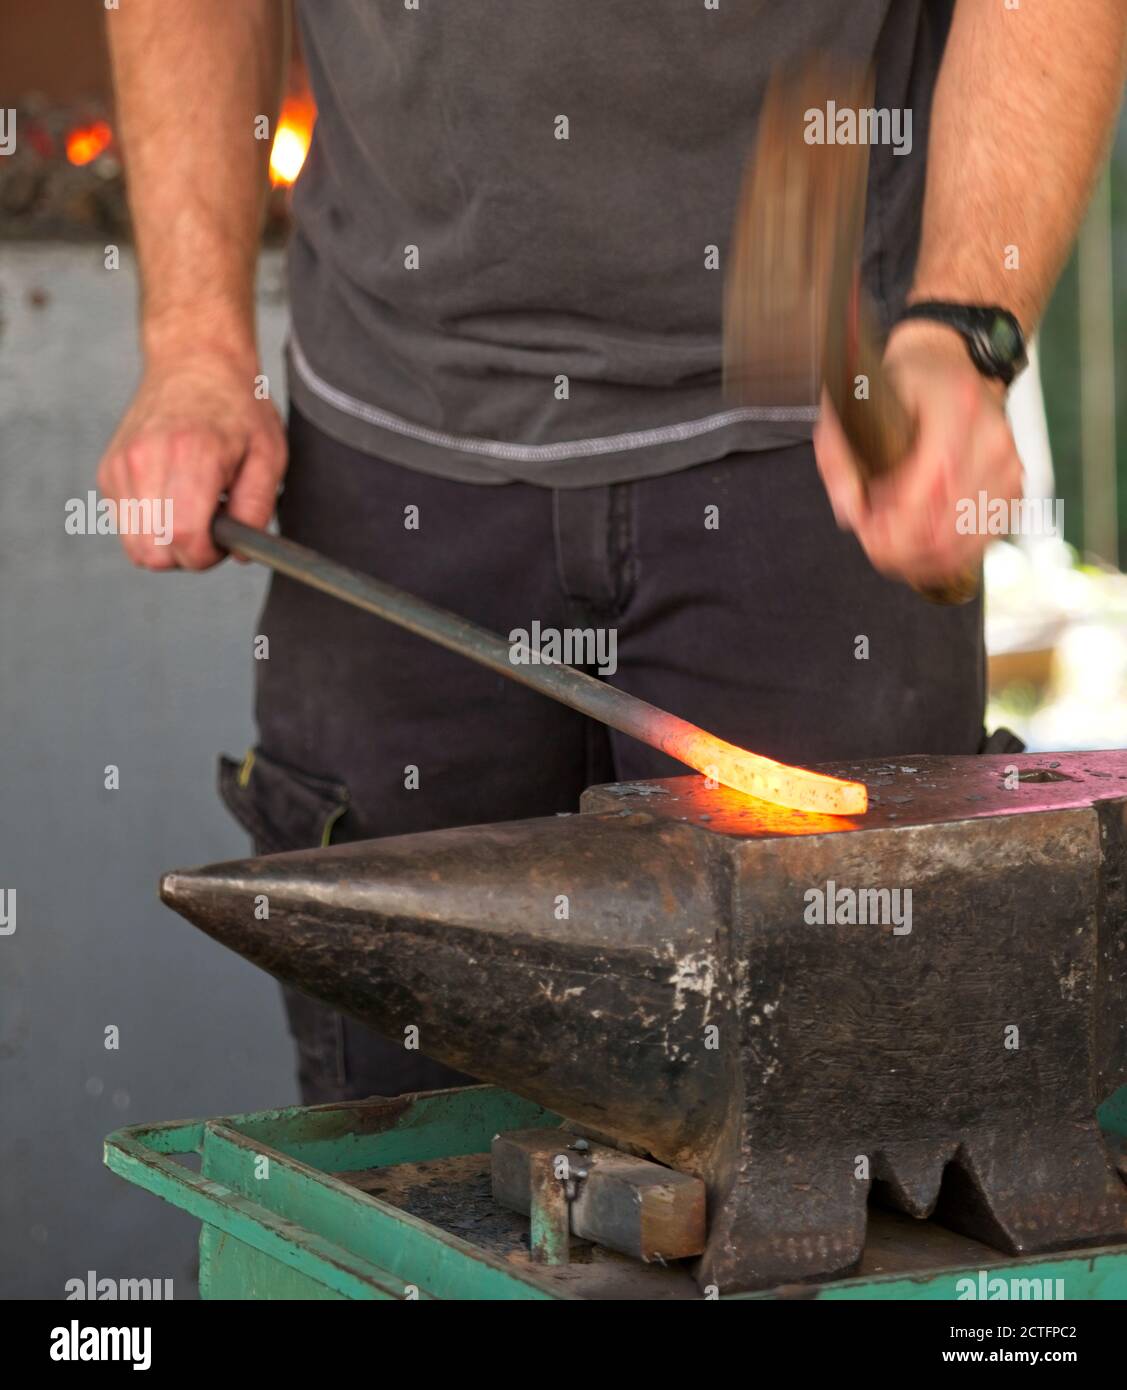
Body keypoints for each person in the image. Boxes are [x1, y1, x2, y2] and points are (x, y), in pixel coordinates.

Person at [98, 2, 1127, 1102]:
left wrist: (966, 324)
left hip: (815, 462)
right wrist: (196, 343)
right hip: (396, 454)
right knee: (408, 1160)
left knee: (844, 1121)